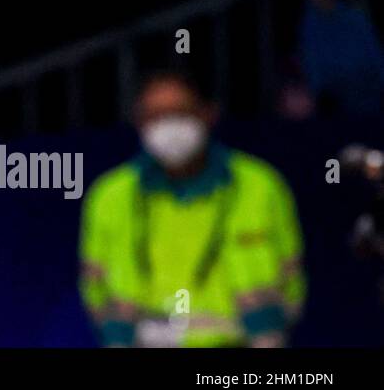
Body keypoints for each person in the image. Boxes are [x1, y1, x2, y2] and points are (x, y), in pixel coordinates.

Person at [80, 69, 305, 347]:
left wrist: (268, 336)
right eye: (156, 115)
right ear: (139, 122)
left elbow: (291, 280)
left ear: (208, 113)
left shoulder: (259, 184)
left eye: (180, 112)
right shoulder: (110, 195)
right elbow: (95, 287)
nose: (169, 125)